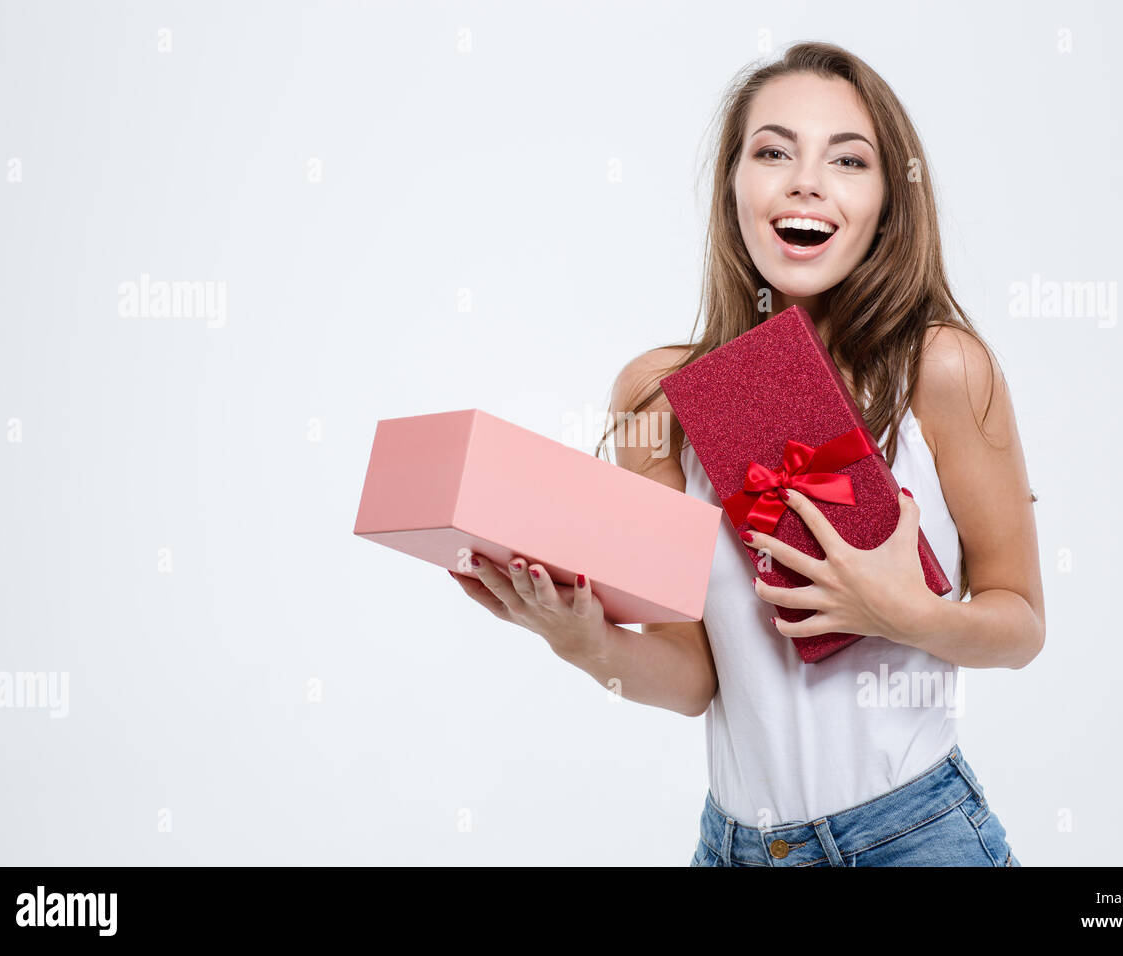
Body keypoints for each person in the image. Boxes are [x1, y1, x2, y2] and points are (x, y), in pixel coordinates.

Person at [447, 41, 1044, 867]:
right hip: (732, 845)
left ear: (886, 203)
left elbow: (1020, 624)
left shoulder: (940, 370)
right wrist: (583, 641)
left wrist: (904, 614)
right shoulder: (657, 396)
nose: (807, 180)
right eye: (772, 151)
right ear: (735, 189)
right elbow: (696, 678)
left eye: (848, 159)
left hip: (914, 837)